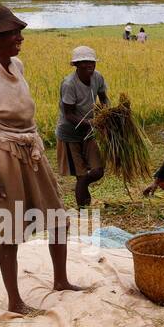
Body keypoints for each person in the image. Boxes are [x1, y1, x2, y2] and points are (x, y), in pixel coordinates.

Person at [0, 4, 84, 315]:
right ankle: (15, 301)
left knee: (58, 218)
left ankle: (61, 280)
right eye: (13, 32)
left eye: (19, 31)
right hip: (1, 153)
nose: (20, 36)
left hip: (29, 148)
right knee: (10, 229)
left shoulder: (16, 65)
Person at [56, 45, 108, 209]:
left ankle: (83, 190)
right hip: (70, 134)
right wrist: (92, 123)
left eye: (91, 62)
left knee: (98, 170)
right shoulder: (69, 84)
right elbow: (69, 114)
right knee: (80, 175)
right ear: (76, 65)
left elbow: (104, 98)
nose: (88, 65)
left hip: (88, 132)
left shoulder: (97, 77)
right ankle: (83, 209)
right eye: (83, 62)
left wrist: (107, 114)